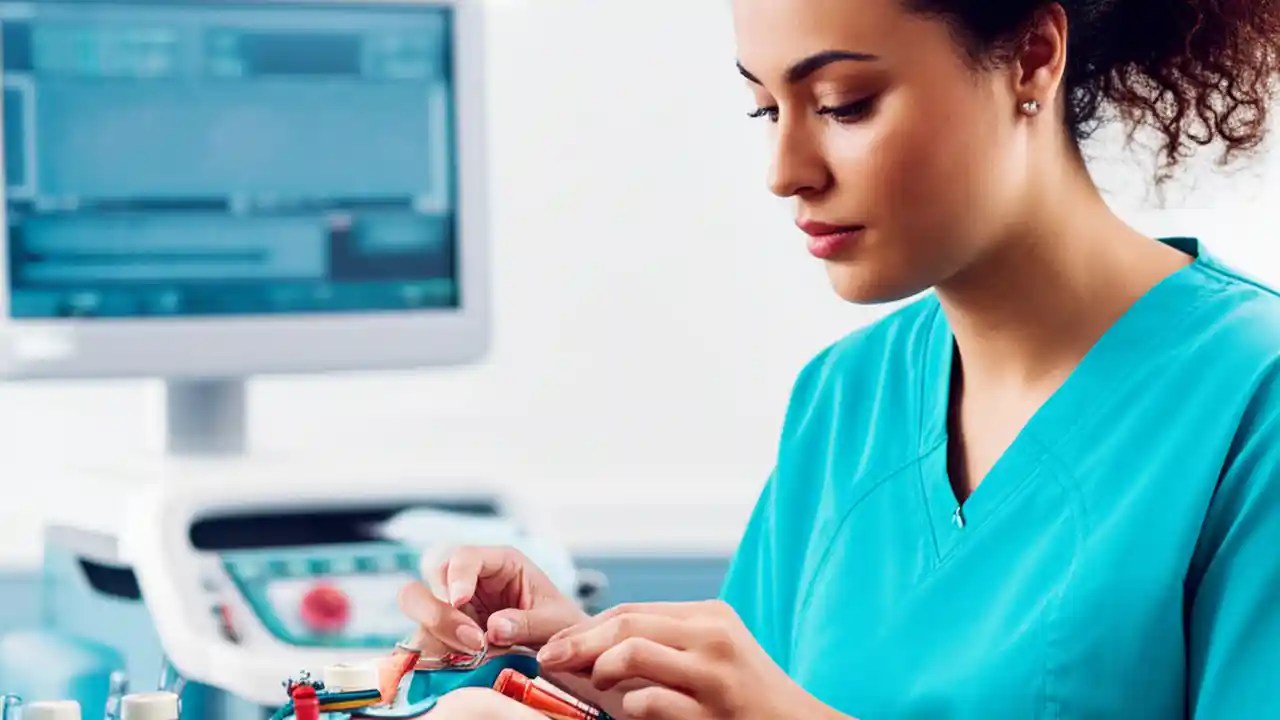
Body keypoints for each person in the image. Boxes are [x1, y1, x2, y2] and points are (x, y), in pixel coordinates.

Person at [399, 0, 1280, 717]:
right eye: (764, 109)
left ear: (1032, 57)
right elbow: (753, 699)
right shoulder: (846, 398)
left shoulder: (1250, 402)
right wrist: (588, 664)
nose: (785, 171)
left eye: (844, 104)